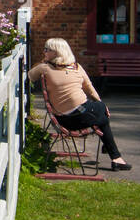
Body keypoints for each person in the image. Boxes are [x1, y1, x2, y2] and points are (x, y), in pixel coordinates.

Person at [28, 38, 131, 170]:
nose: (44, 52)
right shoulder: (64, 67)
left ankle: (113, 153)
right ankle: (115, 157)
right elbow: (90, 89)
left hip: (67, 118)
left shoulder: (47, 68)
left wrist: (99, 105)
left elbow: (29, 76)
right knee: (102, 111)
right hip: (77, 117)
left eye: (47, 49)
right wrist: (101, 104)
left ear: (57, 52)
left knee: (100, 111)